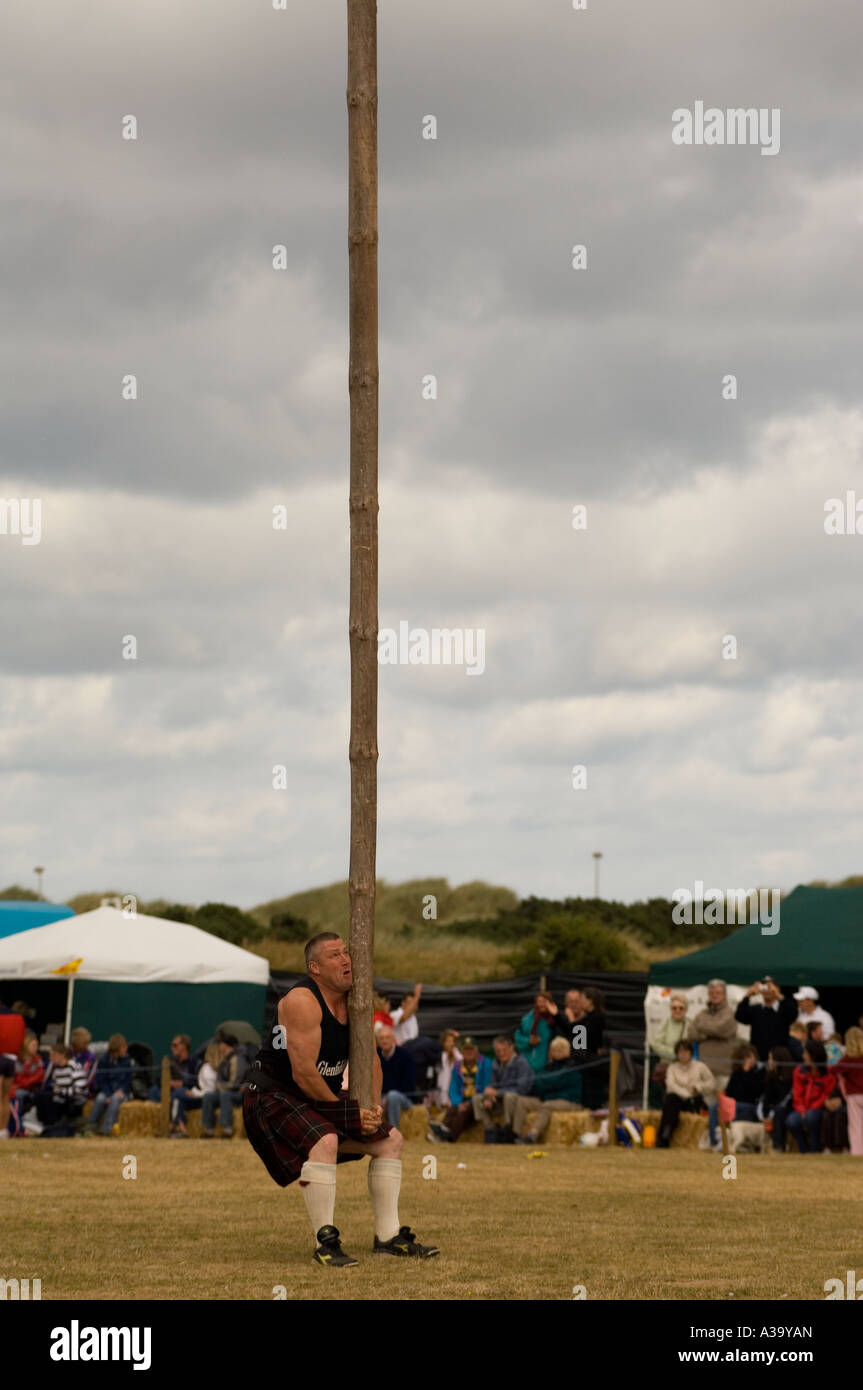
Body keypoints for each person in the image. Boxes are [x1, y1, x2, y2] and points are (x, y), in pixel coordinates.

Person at [243, 932, 438, 1266]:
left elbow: (370, 1060)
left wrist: (371, 1109)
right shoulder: (301, 1001)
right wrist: (346, 1112)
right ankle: (326, 1243)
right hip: (272, 1096)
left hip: (319, 1097)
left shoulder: (357, 1002)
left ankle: (389, 1237)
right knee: (326, 1139)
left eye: (346, 952)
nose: (346, 959)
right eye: (335, 955)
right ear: (315, 968)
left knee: (391, 1139)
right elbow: (303, 1073)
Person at [513, 1036, 584, 1143]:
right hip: (547, 1099)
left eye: (560, 1050)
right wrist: (546, 1083)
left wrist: (545, 1083)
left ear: (567, 1051)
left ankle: (533, 1135)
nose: (556, 1053)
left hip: (569, 1101)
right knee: (522, 1101)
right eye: (554, 1050)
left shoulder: (571, 1067)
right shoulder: (548, 1066)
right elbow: (538, 1082)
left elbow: (553, 1082)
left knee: (548, 1105)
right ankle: (515, 1134)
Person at [471, 1035, 535, 1142]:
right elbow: (493, 1085)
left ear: (511, 1048)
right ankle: (489, 1129)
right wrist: (488, 1097)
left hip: (519, 1100)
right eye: (498, 1051)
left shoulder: (522, 1063)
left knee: (509, 1097)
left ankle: (508, 1129)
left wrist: (497, 1093)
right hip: (500, 1099)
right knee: (477, 1098)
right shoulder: (496, 1064)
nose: (501, 1053)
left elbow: (522, 1089)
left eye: (504, 1050)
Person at [428, 1037, 492, 1143]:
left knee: (464, 1112)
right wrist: (458, 1103)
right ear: (462, 1051)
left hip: (478, 1101)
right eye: (466, 1050)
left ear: (476, 1050)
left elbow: (486, 1087)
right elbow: (453, 1088)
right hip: (463, 1100)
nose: (469, 1052)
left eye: (471, 1049)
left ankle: (448, 1137)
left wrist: (468, 1103)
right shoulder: (457, 1066)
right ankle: (442, 1133)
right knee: (452, 1110)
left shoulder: (486, 1064)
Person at [658, 1040, 714, 1149]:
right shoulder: (672, 1068)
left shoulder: (700, 1066)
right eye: (680, 1052)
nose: (683, 1055)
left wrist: (698, 1087)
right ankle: (666, 1133)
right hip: (678, 1099)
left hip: (695, 1099)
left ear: (691, 1053)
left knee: (695, 1101)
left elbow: (711, 1083)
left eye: (685, 1051)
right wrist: (686, 1094)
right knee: (670, 1100)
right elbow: (670, 1085)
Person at [706, 1043, 763, 1150]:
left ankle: (732, 1140)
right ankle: (715, 1140)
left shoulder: (759, 1073)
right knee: (713, 1107)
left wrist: (747, 1073)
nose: (750, 1060)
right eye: (746, 1057)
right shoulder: (736, 1074)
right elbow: (730, 1093)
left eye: (751, 1057)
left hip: (750, 1105)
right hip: (734, 1103)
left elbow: (756, 1092)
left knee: (737, 1107)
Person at [786, 1041, 837, 1153]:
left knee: (812, 1117)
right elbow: (797, 1094)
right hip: (802, 1109)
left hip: (818, 1109)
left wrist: (811, 1108)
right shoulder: (799, 1071)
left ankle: (815, 1149)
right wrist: (802, 1110)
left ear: (813, 1055)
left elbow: (826, 1094)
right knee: (792, 1120)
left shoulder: (828, 1073)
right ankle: (803, 1149)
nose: (803, 1056)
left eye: (806, 1053)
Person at [687, 980, 738, 1090]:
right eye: (711, 993)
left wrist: (702, 1028)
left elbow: (720, 1030)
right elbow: (691, 1033)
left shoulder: (730, 1013)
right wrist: (709, 1033)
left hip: (723, 1071)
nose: (714, 995)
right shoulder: (702, 1013)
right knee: (704, 1105)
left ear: (724, 995)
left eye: (718, 993)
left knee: (722, 1105)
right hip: (703, 1069)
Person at [734, 978, 796, 1062]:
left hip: (778, 1059)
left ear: (777, 989)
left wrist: (778, 995)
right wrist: (748, 995)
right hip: (758, 1058)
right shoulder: (756, 1010)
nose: (767, 991)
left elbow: (793, 1014)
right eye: (764, 988)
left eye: (770, 987)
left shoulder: (783, 1009)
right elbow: (739, 1016)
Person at [201, 1033, 248, 1138]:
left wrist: (220, 1087)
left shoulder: (236, 1059)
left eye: (221, 1043)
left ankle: (227, 1129)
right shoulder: (224, 1060)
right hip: (225, 1091)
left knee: (225, 1095)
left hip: (237, 1094)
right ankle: (209, 1129)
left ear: (226, 1045)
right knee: (208, 1096)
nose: (219, 1046)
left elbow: (235, 1083)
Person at [84, 1034, 133, 1135]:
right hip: (107, 1091)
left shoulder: (127, 1060)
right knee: (100, 1098)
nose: (126, 1049)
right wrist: (107, 1094)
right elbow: (101, 1079)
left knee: (115, 1098)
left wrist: (122, 1090)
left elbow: (128, 1080)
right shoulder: (104, 1060)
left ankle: (106, 1130)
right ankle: (90, 1127)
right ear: (117, 1049)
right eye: (123, 1047)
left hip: (122, 1093)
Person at [35, 1043, 89, 1134]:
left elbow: (80, 1089)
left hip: (74, 1099)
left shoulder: (74, 1067)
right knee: (41, 1096)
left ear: (62, 1055)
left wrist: (62, 1092)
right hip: (61, 1096)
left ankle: (54, 1127)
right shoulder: (55, 1068)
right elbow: (55, 1085)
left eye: (53, 1055)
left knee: (49, 1098)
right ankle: (47, 1126)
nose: (50, 1058)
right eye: (50, 1055)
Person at [376, 1026, 416, 1129]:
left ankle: (393, 1130)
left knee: (392, 1096)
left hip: (403, 1097)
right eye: (381, 1038)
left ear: (393, 1039)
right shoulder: (375, 1056)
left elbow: (409, 1085)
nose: (384, 1041)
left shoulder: (405, 1055)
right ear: (378, 1041)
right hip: (381, 1096)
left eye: (387, 1037)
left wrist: (386, 1097)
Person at [832, 1027, 863, 1156]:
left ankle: (857, 1152)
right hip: (856, 1095)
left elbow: (833, 1071)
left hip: (854, 1096)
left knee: (856, 1126)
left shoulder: (847, 1060)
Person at [760, 1046, 795, 1151]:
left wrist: (772, 1114)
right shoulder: (770, 1077)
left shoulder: (789, 1079)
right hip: (771, 1110)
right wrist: (765, 1115)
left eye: (771, 1059)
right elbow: (765, 1099)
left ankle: (778, 1146)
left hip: (787, 1109)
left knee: (779, 1112)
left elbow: (785, 1101)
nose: (769, 1062)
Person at [0, 1005, 26, 1140]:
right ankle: (3, 1130)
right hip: (11, 1059)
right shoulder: (18, 1019)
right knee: (5, 1097)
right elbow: (22, 1041)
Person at [514, 991, 556, 1071]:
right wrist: (528, 1041)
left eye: (545, 1002)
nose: (542, 1004)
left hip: (548, 1066)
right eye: (539, 1001)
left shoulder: (555, 1020)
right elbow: (518, 1038)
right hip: (528, 1064)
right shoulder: (527, 1020)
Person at [12, 1032, 45, 1120]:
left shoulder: (38, 1060)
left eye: (37, 1046)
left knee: (18, 1094)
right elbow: (12, 1076)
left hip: (30, 1089)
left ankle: (18, 1119)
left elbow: (38, 1077)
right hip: (16, 1087)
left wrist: (19, 1085)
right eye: (33, 1045)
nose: (36, 1048)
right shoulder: (17, 1059)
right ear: (26, 1045)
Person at [652, 995, 689, 1060]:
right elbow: (656, 1045)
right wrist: (675, 1054)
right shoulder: (665, 1023)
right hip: (668, 1063)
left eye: (681, 1008)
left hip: (687, 1064)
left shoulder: (691, 1024)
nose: (677, 1010)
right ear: (670, 1009)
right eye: (674, 1008)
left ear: (686, 1010)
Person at [431, 1029, 462, 1108]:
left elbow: (461, 1060)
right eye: (448, 1041)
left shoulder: (456, 1053)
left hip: (453, 1086)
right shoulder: (440, 1054)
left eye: (453, 1041)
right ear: (443, 1042)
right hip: (441, 1086)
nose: (451, 1043)